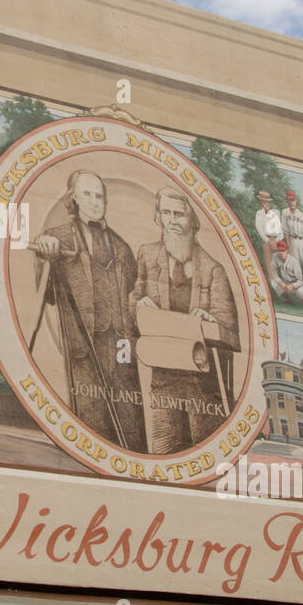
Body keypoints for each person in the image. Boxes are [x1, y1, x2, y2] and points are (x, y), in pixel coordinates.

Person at [32, 170, 142, 450]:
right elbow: (47, 294)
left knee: (130, 425)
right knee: (91, 421)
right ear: (75, 199)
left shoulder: (122, 246)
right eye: (88, 195)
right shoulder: (57, 237)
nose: (95, 201)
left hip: (121, 347)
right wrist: (45, 255)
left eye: (99, 196)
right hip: (84, 343)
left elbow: (134, 293)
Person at [130, 187, 240, 452]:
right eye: (166, 213)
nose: (172, 221)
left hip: (202, 385)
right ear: (158, 217)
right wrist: (138, 306)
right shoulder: (147, 255)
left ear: (193, 221)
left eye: (179, 214)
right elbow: (133, 299)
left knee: (202, 452)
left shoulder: (213, 270)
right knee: (163, 450)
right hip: (163, 378)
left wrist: (209, 321)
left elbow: (231, 332)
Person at [268, 240, 303, 304]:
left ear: (287, 251)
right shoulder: (275, 257)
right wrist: (280, 282)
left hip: (295, 284)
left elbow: (300, 281)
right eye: (279, 250)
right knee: (273, 283)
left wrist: (292, 285)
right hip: (285, 282)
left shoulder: (294, 262)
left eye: (283, 251)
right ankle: (288, 299)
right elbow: (274, 272)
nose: (281, 252)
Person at [254, 191, 283, 259]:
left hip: (277, 241)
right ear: (262, 203)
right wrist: (268, 241)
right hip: (267, 241)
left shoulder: (276, 212)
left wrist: (276, 242)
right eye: (264, 202)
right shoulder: (259, 213)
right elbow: (259, 229)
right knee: (269, 261)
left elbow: (281, 230)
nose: (267, 204)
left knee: (278, 261)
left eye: (268, 202)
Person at [281, 190, 303, 256]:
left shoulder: (302, 215)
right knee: (294, 260)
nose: (292, 203)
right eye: (290, 200)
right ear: (288, 201)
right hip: (293, 241)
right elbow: (286, 232)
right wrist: (288, 246)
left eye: (293, 200)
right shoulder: (285, 212)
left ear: (296, 201)